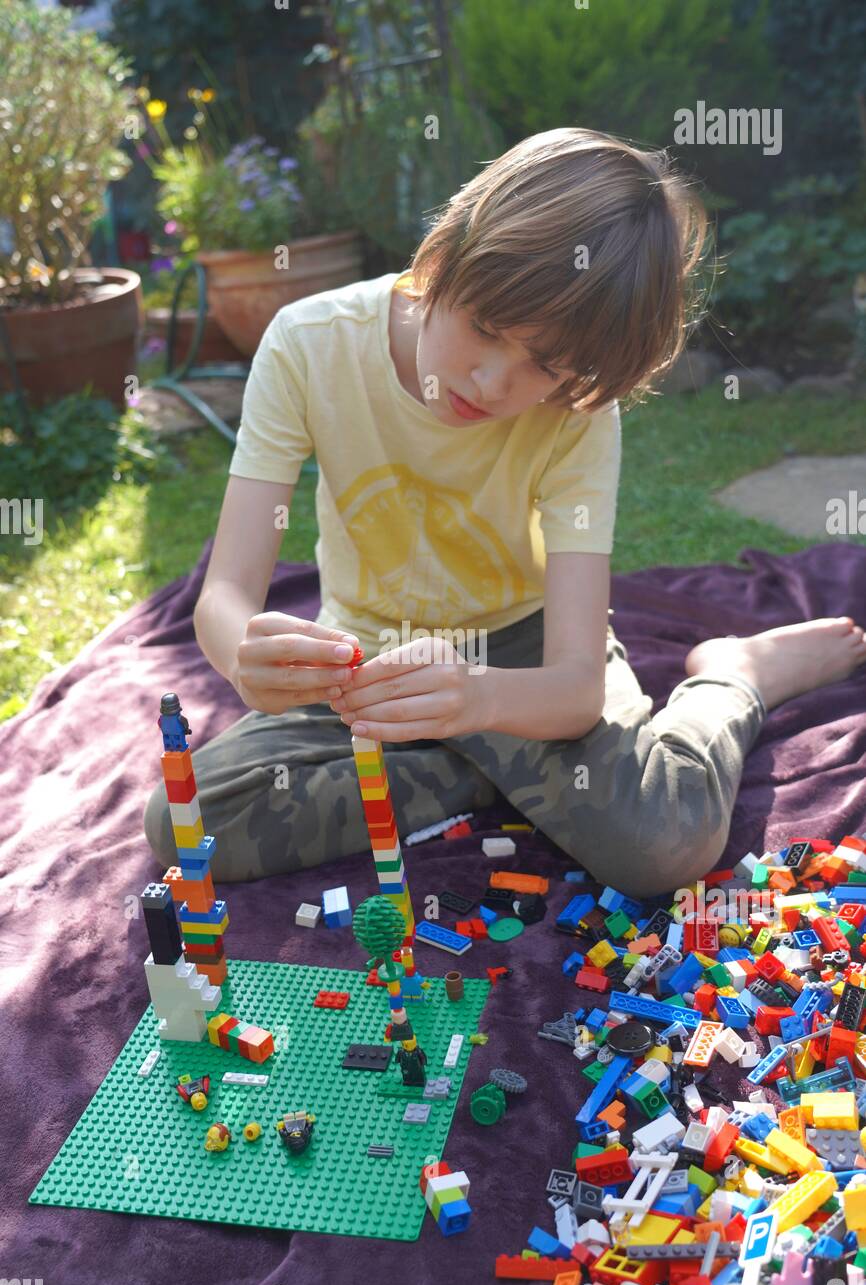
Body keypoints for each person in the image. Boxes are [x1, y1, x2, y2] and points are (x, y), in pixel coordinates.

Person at [144, 128, 866, 897]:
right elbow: (225, 595)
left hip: (522, 659)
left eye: (545, 368)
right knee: (187, 821)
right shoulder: (307, 344)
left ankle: (733, 678)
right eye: (485, 329)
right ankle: (506, 775)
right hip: (365, 665)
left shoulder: (580, 414)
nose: (491, 382)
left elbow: (577, 685)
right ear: (442, 256)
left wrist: (479, 697)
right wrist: (241, 658)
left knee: (665, 846)